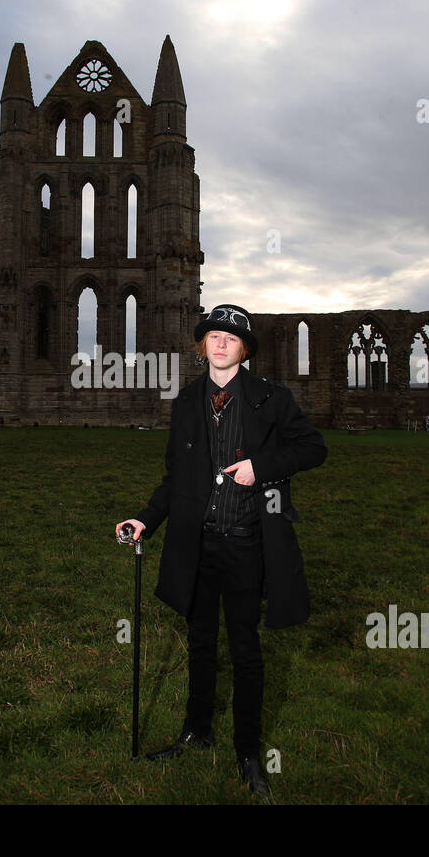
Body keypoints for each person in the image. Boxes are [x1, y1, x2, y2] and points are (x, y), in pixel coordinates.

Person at [115, 304, 327, 797]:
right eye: (213, 335)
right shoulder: (186, 402)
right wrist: (146, 520)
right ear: (202, 345)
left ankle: (249, 752)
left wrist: (263, 466)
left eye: (231, 338)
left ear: (244, 348)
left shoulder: (271, 399)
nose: (221, 343)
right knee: (200, 641)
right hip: (199, 543)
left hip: (248, 542)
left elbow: (314, 448)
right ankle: (196, 729)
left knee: (246, 647)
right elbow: (175, 477)